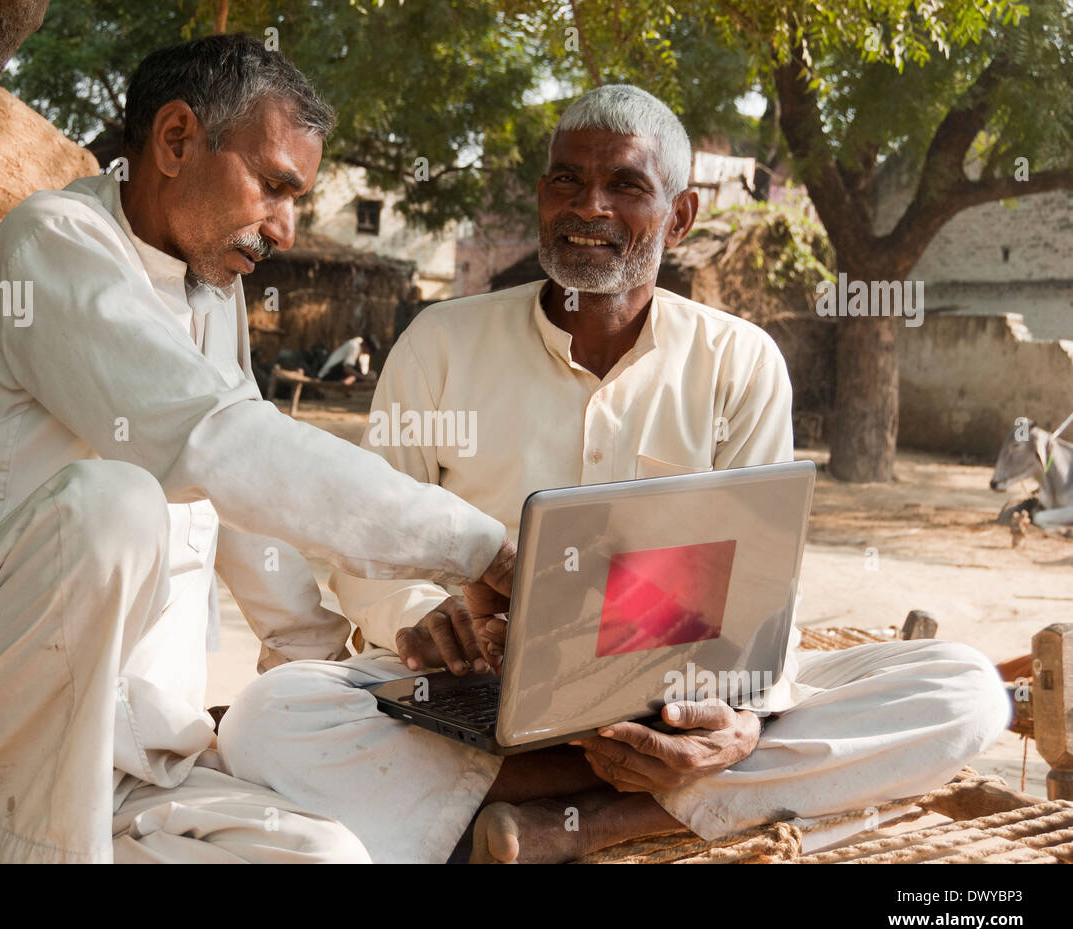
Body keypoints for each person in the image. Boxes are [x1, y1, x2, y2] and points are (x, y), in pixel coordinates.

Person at [218, 84, 1013, 864]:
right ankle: (631, 793)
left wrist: (740, 716)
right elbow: (367, 552)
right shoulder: (441, 342)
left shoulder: (739, 361)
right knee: (267, 716)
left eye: (625, 185)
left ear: (681, 214)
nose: (588, 206)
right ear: (540, 197)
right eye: (567, 179)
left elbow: (763, 580)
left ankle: (585, 823)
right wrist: (425, 616)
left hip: (674, 690)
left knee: (965, 690)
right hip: (475, 688)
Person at [0, 34, 515, 864]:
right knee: (113, 503)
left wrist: (328, 660)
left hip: (121, 760)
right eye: (272, 186)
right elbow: (216, 444)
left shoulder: (212, 295)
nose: (287, 225)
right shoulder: (53, 240)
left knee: (325, 855)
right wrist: (480, 548)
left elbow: (242, 502)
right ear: (173, 140)